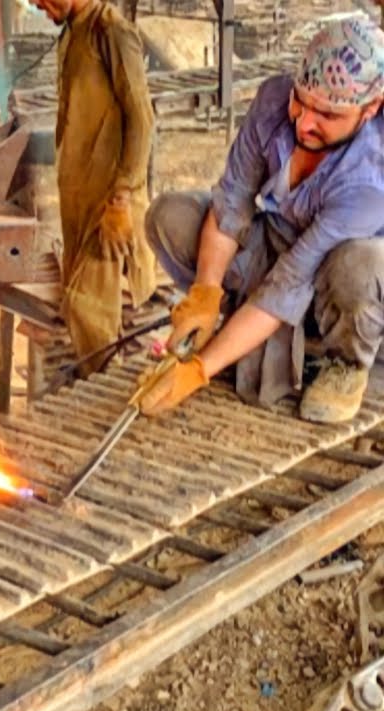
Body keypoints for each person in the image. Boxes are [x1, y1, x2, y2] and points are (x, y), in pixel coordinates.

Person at [140, 17, 384, 423]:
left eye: (326, 114)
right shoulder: (274, 100)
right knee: (171, 216)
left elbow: (291, 280)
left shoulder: (370, 178)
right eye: (301, 101)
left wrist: (200, 370)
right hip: (276, 240)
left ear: (370, 109)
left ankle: (345, 362)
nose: (304, 123)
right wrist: (205, 293)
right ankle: (231, 322)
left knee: (361, 265)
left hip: (337, 282)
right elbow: (232, 204)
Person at [28, 0, 157, 376]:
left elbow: (142, 119)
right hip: (80, 199)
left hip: (108, 205)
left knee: (88, 307)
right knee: (87, 311)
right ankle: (104, 377)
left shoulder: (111, 32)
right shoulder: (74, 31)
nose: (37, 5)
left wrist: (121, 198)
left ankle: (107, 386)